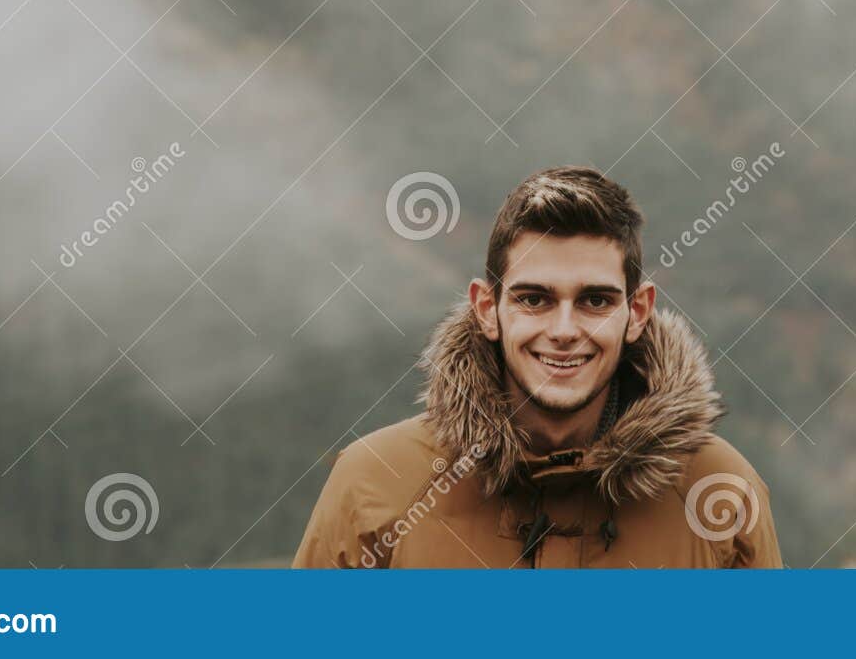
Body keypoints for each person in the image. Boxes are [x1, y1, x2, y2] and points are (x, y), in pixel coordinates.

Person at [291, 165, 781, 568]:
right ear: (487, 309)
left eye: (594, 300)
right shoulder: (374, 482)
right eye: (534, 299)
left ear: (636, 313)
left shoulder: (719, 491)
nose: (565, 329)